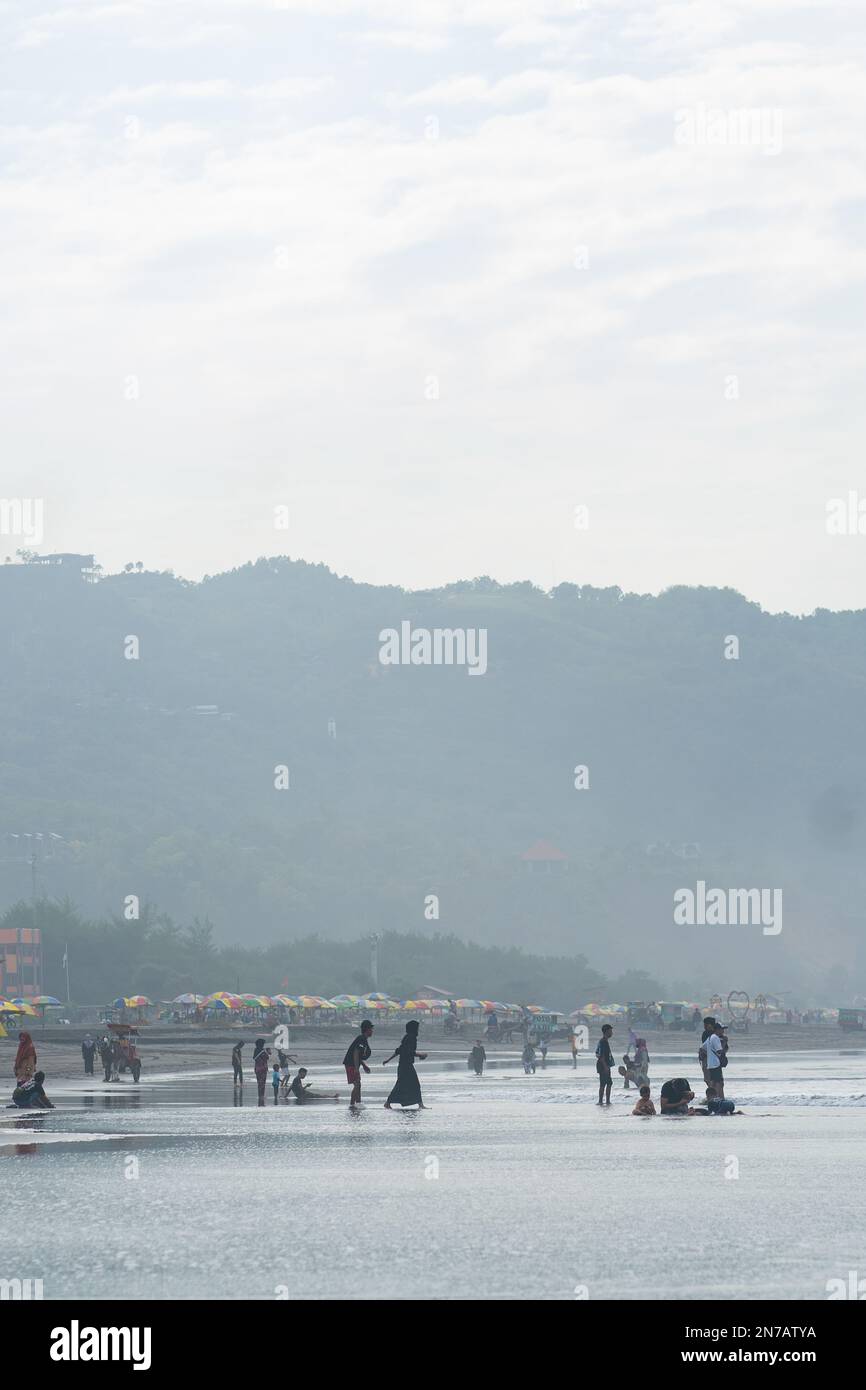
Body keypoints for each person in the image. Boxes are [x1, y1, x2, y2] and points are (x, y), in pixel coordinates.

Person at [382, 1019, 427, 1108]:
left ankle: (388, 1103)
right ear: (414, 1029)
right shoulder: (412, 1038)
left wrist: (388, 1060)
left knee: (402, 1084)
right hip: (406, 1066)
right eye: (417, 1028)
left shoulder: (406, 1037)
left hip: (403, 1065)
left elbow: (399, 1050)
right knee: (413, 1084)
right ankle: (388, 1103)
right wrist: (421, 1055)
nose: (418, 1030)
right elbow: (409, 1052)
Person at [343, 1019, 374, 1105]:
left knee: (358, 1084)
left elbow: (359, 1055)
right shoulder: (361, 1038)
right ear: (367, 1029)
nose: (372, 1031)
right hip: (350, 1064)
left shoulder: (363, 1039)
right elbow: (356, 1053)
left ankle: (358, 1103)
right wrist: (356, 1069)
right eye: (371, 1029)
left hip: (353, 1064)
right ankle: (352, 1105)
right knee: (357, 1084)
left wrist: (364, 1066)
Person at [704, 1021, 726, 1100]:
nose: (723, 1031)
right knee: (719, 1082)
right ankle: (718, 1098)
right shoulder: (716, 1038)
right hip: (716, 1064)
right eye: (722, 1029)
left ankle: (711, 1098)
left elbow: (702, 1048)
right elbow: (719, 1051)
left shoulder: (710, 1037)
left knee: (713, 1082)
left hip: (710, 1064)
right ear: (717, 1029)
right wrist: (724, 1043)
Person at [595, 1024, 614, 1105]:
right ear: (606, 1031)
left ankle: (605, 1101)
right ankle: (603, 1101)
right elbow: (601, 1055)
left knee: (608, 1083)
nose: (612, 1033)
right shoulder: (603, 1042)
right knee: (604, 1083)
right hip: (603, 1065)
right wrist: (605, 1066)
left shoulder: (603, 1041)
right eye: (610, 1031)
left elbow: (597, 1053)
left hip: (603, 1065)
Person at [252, 1038, 270, 1105]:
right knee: (263, 1083)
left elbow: (254, 1058)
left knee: (259, 1083)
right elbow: (267, 1058)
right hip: (263, 1069)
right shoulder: (262, 1050)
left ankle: (260, 1095)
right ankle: (261, 1095)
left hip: (257, 1068)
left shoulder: (256, 1050)